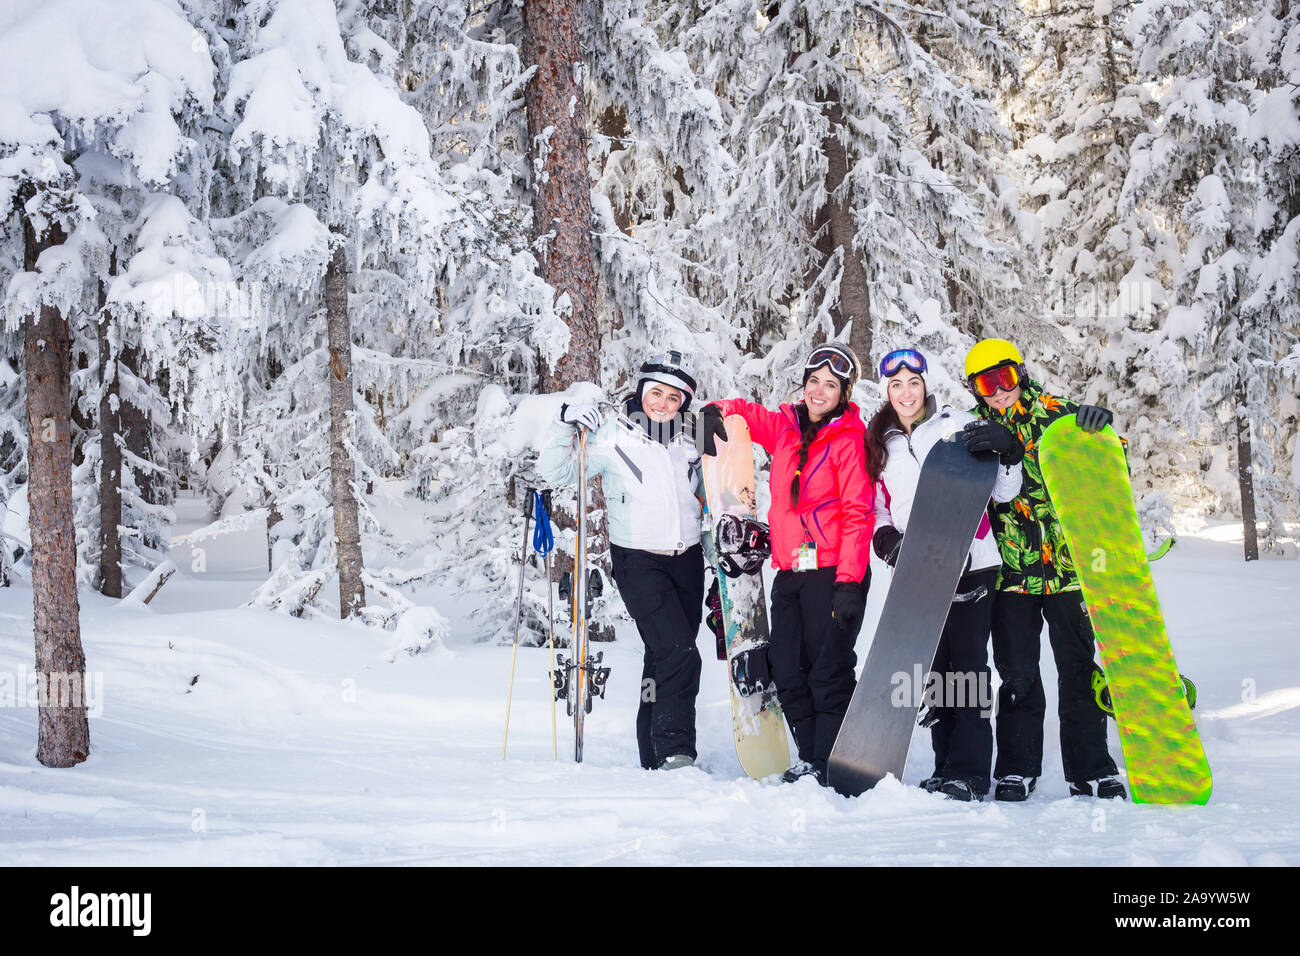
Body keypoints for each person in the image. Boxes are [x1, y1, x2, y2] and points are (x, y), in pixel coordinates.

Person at [700, 343, 873, 786]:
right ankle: (813, 759)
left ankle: (834, 763)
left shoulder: (850, 440)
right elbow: (745, 413)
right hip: (790, 572)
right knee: (788, 671)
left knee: (826, 673)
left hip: (833, 573)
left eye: (830, 385)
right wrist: (713, 412)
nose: (819, 391)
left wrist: (849, 583)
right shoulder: (787, 429)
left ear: (844, 392)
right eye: (814, 381)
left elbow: (858, 513)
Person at [963, 338, 1126, 801]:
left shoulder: (1059, 414)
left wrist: (1101, 431)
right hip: (1012, 574)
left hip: (1068, 570)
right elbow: (989, 496)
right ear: (974, 390)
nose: (999, 392)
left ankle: (1091, 768)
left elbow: (1111, 471)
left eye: (1005, 378)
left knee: (1077, 667)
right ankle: (1017, 768)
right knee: (1017, 672)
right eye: (985, 384)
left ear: (1021, 373)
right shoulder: (975, 432)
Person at [865, 347, 1023, 801]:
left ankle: (970, 772)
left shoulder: (955, 426)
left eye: (913, 383)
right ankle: (944, 766)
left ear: (925, 385)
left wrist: (1006, 453)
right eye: (896, 385)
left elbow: (1003, 492)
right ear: (887, 391)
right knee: (935, 670)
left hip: (971, 561)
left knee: (968, 666)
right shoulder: (882, 441)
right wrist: (886, 540)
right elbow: (878, 505)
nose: (906, 392)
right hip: (917, 570)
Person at [536, 351, 705, 771]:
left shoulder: (690, 440)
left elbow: (706, 494)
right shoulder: (613, 434)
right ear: (642, 391)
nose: (663, 404)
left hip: (688, 560)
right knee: (681, 654)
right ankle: (675, 751)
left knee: (661, 656)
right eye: (656, 393)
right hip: (638, 561)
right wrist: (564, 422)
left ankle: (652, 756)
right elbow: (554, 471)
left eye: (673, 398)